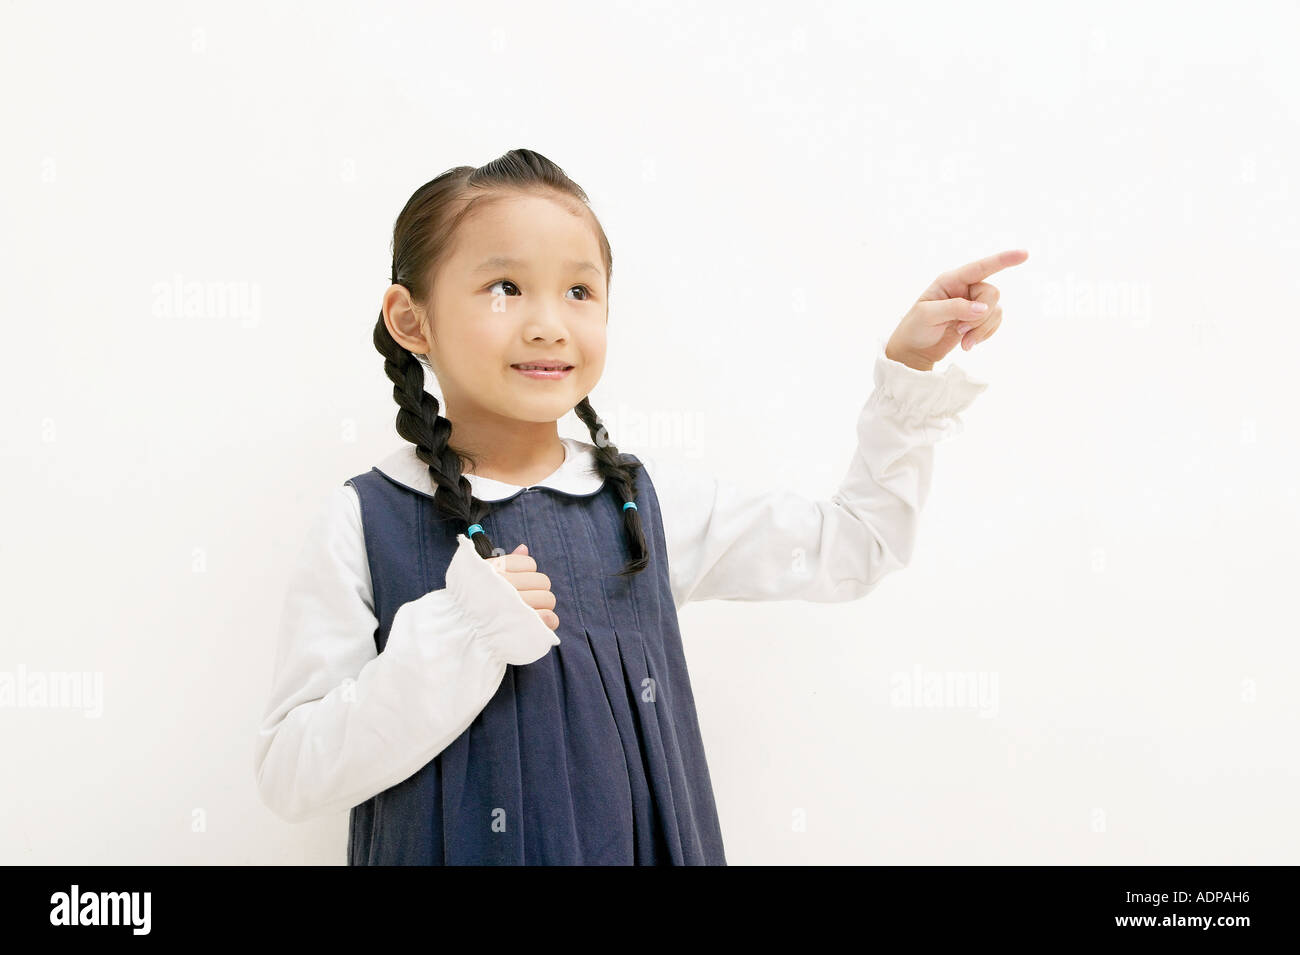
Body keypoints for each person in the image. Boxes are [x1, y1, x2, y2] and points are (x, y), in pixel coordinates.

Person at [252, 146, 1027, 864]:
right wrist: (457, 635)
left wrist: (910, 372)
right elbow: (292, 771)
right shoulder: (364, 520)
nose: (549, 322)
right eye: (504, 287)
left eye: (580, 290)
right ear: (410, 318)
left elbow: (855, 546)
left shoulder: (643, 505)